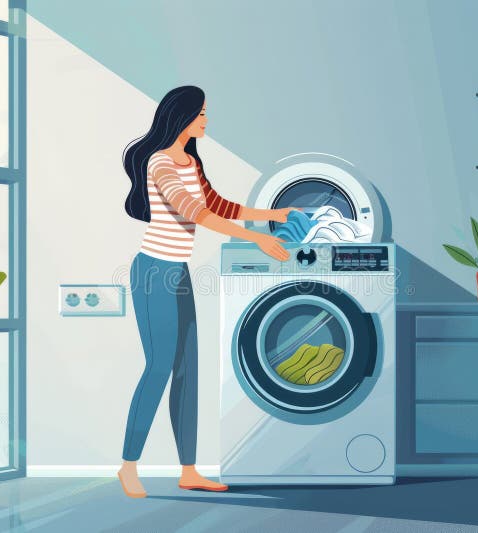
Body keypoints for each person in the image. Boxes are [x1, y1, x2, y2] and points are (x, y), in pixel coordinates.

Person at [117, 85, 296, 498]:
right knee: (159, 367)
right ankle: (128, 465)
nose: (205, 120)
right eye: (200, 113)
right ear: (180, 117)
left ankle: (189, 469)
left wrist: (270, 215)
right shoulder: (160, 163)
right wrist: (255, 240)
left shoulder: (190, 161)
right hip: (153, 274)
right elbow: (193, 212)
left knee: (187, 371)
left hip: (178, 273)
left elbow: (216, 203)